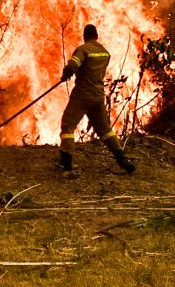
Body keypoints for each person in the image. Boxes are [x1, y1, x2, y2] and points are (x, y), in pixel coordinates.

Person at [57, 24, 135, 174]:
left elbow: (73, 64)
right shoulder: (105, 53)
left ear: (84, 36)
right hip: (98, 97)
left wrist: (67, 73)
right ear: (97, 36)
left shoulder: (83, 49)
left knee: (68, 125)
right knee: (105, 130)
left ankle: (65, 163)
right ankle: (122, 159)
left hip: (81, 96)